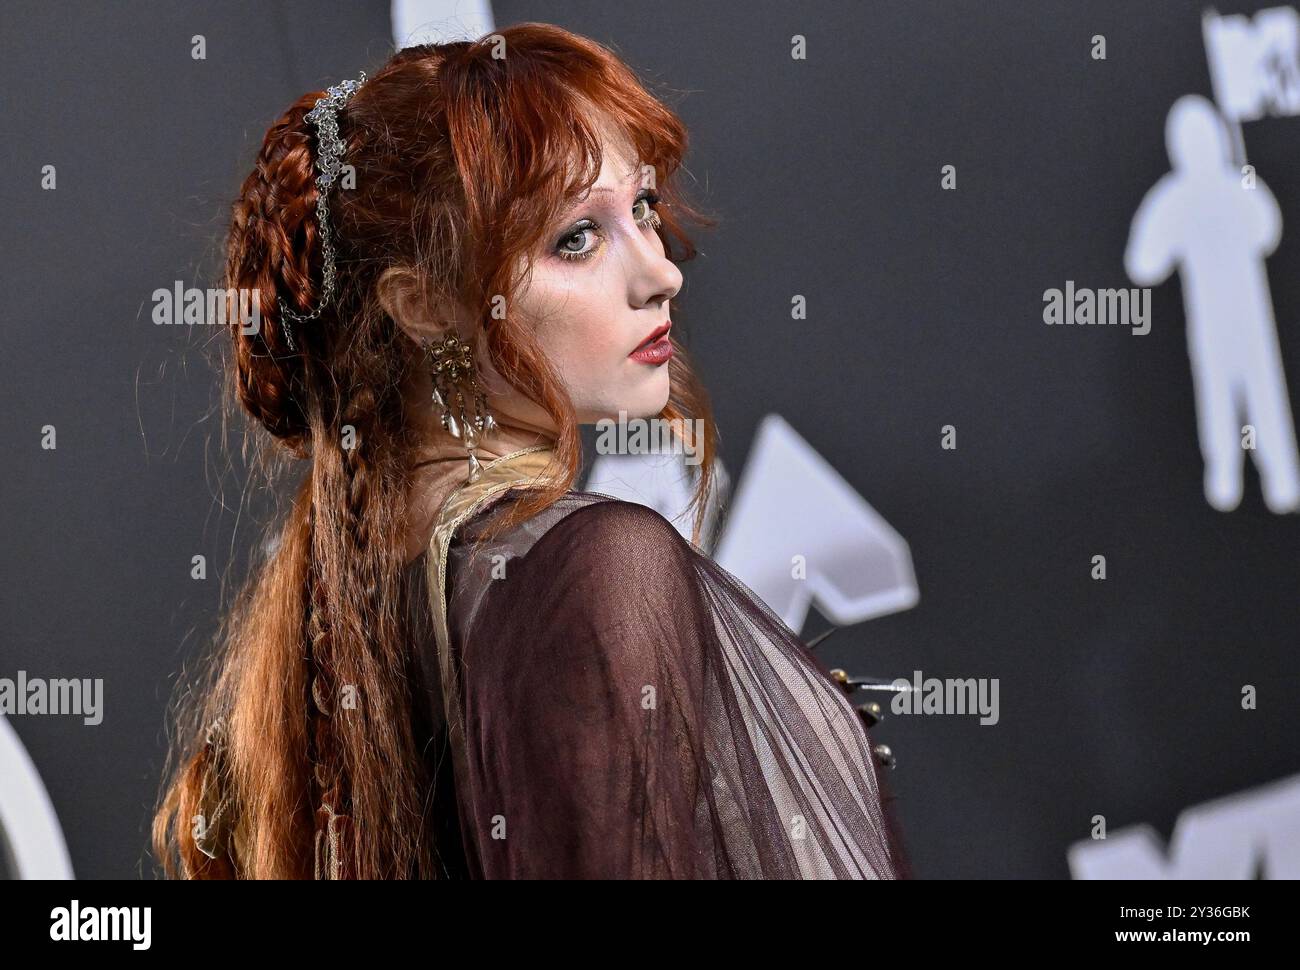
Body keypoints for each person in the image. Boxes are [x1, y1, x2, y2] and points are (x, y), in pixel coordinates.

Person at [153, 22, 907, 880]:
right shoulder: (594, 572)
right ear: (424, 306)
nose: (662, 272)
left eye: (644, 210)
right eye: (576, 238)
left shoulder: (355, 601)